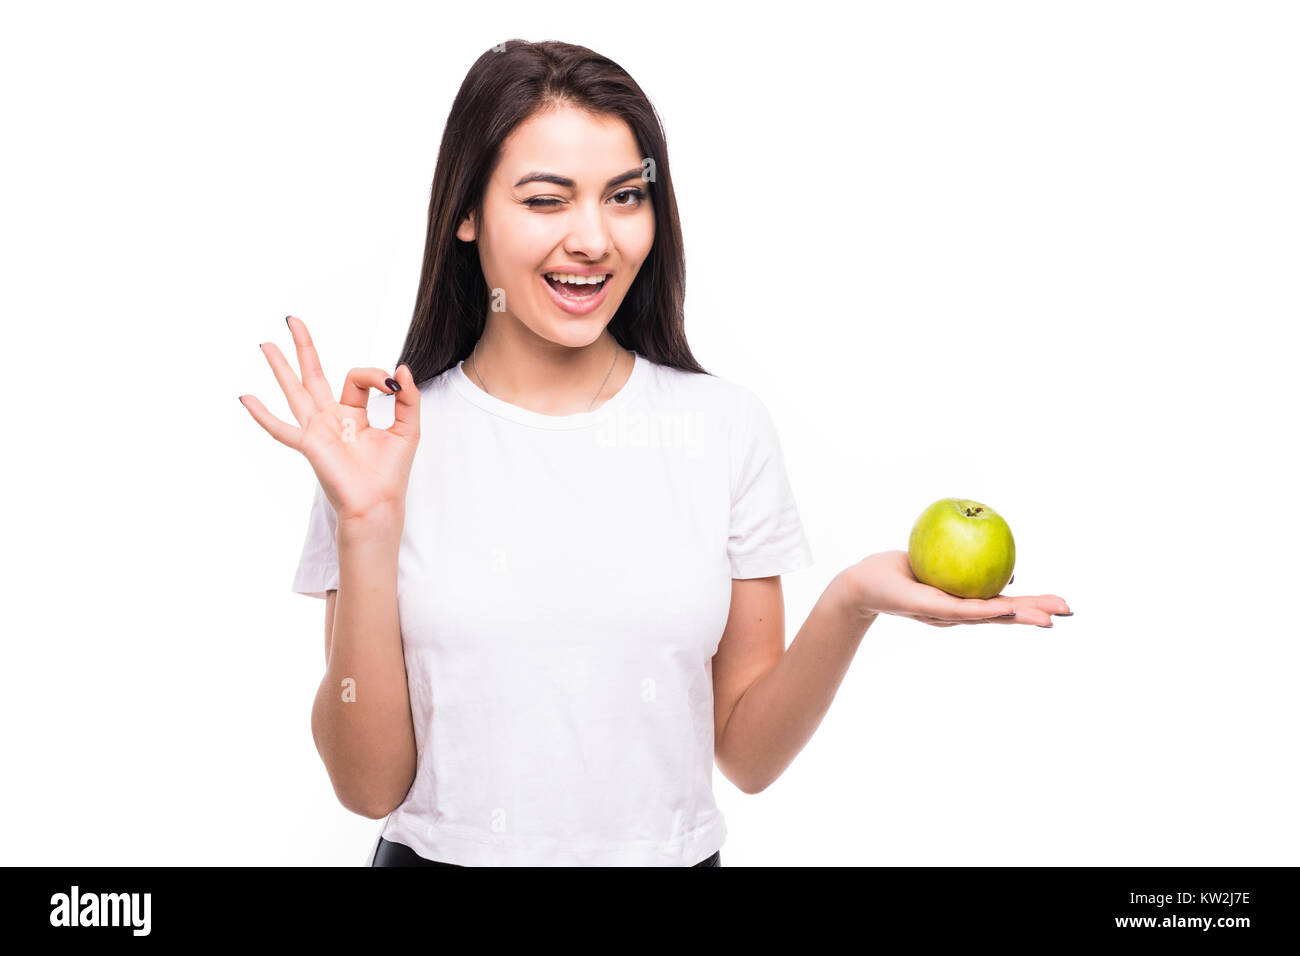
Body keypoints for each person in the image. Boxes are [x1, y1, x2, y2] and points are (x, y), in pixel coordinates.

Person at [239, 40, 1071, 867]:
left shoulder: (723, 428)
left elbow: (745, 755)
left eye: (624, 196)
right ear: (465, 213)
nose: (594, 239)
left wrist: (851, 601)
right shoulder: (384, 449)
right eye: (545, 200)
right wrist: (367, 524)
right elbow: (367, 787)